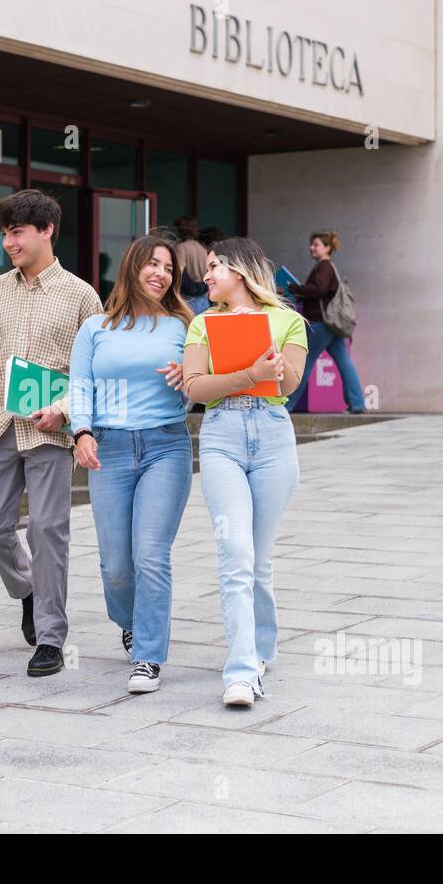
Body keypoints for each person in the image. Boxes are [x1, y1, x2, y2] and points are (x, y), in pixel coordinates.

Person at [0, 189, 103, 677]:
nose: (7, 243)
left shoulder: (83, 295)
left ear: (46, 231)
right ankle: (28, 591)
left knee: (47, 531)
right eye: (4, 233)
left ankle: (50, 638)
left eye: (17, 232)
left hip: (50, 431)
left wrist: (64, 411)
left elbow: (93, 371)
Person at [174, 237, 308, 707]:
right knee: (235, 553)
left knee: (260, 560)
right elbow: (194, 386)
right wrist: (248, 375)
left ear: (242, 270)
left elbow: (290, 384)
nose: (206, 275)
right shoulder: (203, 324)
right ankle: (242, 673)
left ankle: (261, 645)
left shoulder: (289, 321)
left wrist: (267, 358)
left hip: (273, 435)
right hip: (221, 436)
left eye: (214, 267)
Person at [68, 235, 193, 694]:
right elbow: (80, 384)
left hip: (166, 446)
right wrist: (80, 431)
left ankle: (148, 656)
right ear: (133, 267)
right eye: (153, 264)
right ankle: (129, 619)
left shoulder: (184, 324)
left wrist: (188, 380)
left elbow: (201, 387)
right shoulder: (95, 327)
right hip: (110, 449)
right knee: (116, 564)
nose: (161, 274)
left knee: (151, 554)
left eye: (169, 268)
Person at [285, 230, 366, 413]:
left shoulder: (324, 267)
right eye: (312, 244)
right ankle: (357, 403)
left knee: (305, 360)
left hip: (321, 322)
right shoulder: (327, 267)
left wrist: (295, 288)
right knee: (344, 361)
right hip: (331, 324)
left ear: (327, 248)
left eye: (317, 244)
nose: (312, 248)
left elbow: (318, 289)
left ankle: (287, 405)